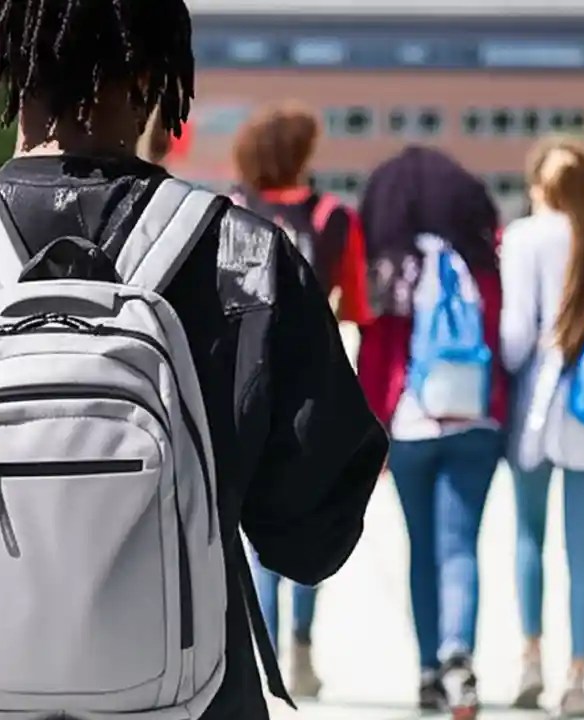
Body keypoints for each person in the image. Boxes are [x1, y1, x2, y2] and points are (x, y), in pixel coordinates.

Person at [0, 1, 387, 718]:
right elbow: (314, 539)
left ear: (6, 63)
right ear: (160, 75)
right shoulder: (246, 257)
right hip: (190, 695)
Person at [228, 102, 373, 698]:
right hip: (314, 384)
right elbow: (359, 305)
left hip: (243, 383)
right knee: (306, 516)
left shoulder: (232, 212)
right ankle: (302, 651)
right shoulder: (336, 217)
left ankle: (264, 659)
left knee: (251, 531)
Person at [356, 146, 506, 718]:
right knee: (461, 543)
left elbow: (376, 354)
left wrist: (371, 433)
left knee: (422, 548)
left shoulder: (392, 268)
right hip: (476, 420)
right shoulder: (480, 265)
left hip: (410, 422)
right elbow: (503, 339)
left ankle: (425, 671)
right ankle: (458, 658)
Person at [500, 136, 584, 717]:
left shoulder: (526, 238)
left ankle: (531, 658)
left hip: (538, 409)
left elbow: (514, 341)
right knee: (583, 546)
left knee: (529, 536)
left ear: (539, 188)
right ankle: (577, 681)